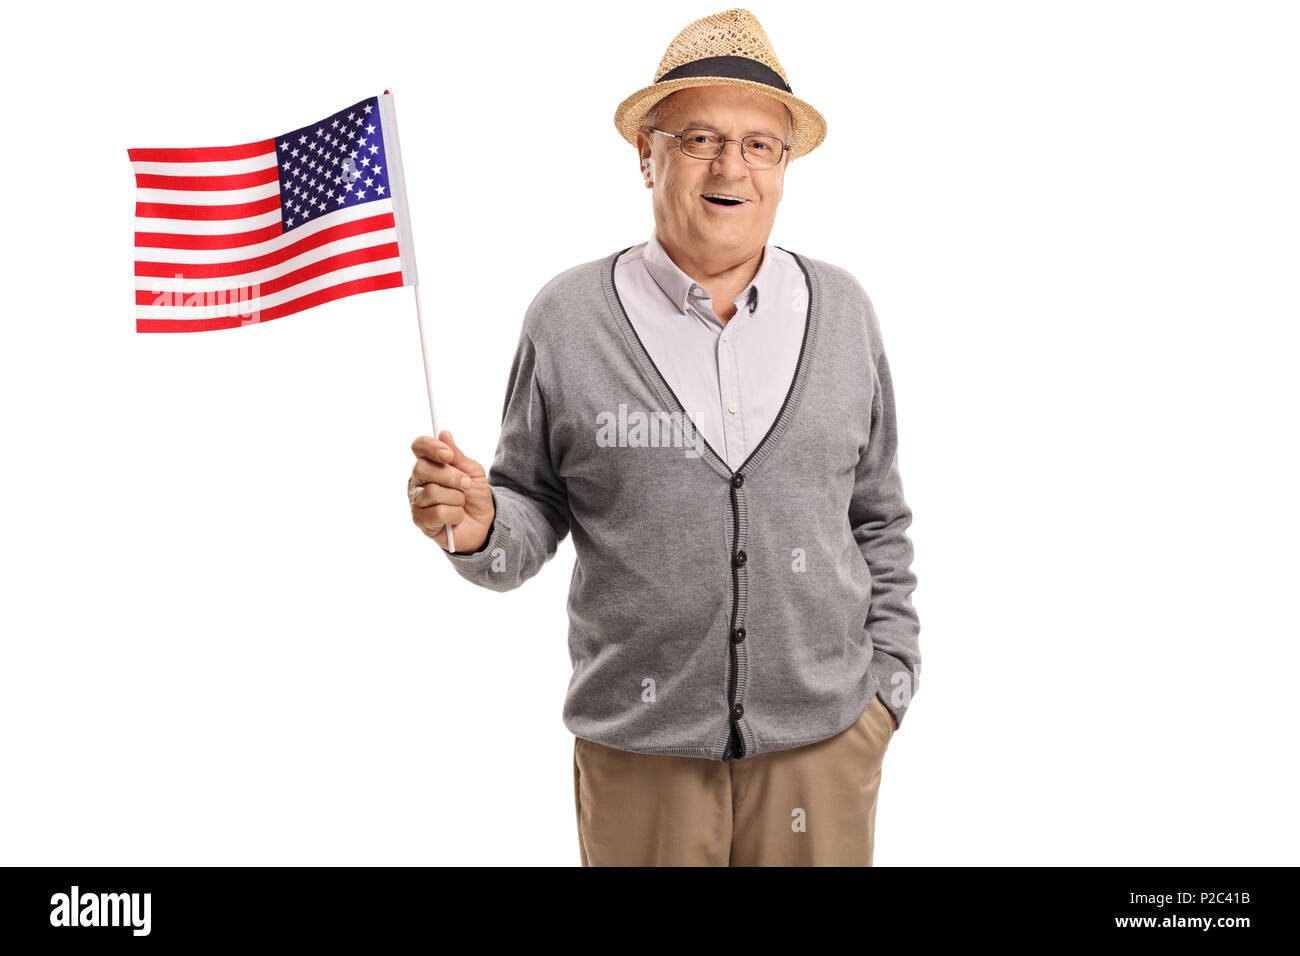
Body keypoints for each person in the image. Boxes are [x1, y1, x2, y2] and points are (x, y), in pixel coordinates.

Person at [407, 7, 920, 866]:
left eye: (761, 144)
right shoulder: (568, 319)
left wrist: (886, 696)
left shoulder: (843, 312)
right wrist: (481, 525)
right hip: (639, 757)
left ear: (785, 166)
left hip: (825, 751)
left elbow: (878, 516)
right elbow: (530, 503)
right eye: (698, 139)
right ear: (645, 152)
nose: (732, 168)